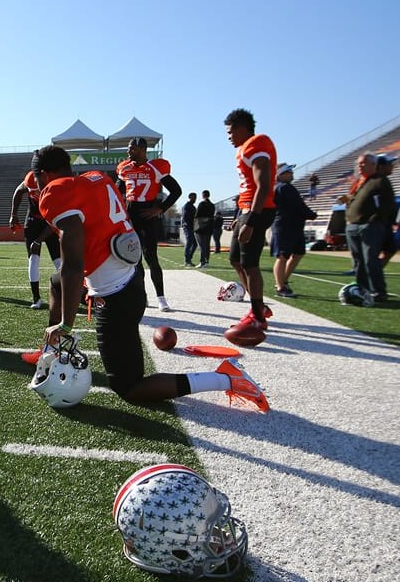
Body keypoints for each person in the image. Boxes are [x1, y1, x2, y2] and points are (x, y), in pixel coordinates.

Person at [31, 144, 268, 411]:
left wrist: (66, 325)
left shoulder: (55, 192)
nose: (38, 187)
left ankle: (225, 378)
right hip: (131, 279)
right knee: (56, 284)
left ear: (45, 174)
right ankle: (49, 350)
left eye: (38, 179)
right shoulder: (98, 179)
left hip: (116, 296)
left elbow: (73, 265)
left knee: (129, 387)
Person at [224, 108, 278, 330]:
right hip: (246, 209)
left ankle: (257, 315)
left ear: (241, 128)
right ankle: (259, 306)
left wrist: (251, 220)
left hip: (259, 209)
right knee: (235, 259)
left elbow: (263, 185)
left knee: (249, 264)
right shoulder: (245, 148)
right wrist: (240, 215)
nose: (228, 137)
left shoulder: (257, 143)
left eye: (230, 132)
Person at [116, 137, 182, 311]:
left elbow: (176, 191)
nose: (128, 152)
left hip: (147, 216)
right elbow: (116, 193)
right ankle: (141, 296)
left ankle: (161, 298)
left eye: (132, 149)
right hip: (130, 217)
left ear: (142, 149)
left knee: (151, 257)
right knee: (134, 260)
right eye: (129, 148)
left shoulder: (155, 167)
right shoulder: (125, 168)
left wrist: (159, 209)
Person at [345, 153, 395, 304]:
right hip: (353, 225)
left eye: (364, 163)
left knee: (370, 260)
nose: (360, 166)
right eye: (359, 164)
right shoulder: (359, 182)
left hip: (368, 226)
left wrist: (375, 219)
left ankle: (378, 291)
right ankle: (363, 288)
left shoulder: (380, 181)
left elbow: (388, 203)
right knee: (358, 261)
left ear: (374, 165)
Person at [10, 168, 63, 309]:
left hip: (49, 221)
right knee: (33, 259)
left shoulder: (55, 185)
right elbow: (18, 192)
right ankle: (36, 298)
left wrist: (39, 240)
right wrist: (13, 215)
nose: (36, 192)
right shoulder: (29, 179)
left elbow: (52, 222)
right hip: (33, 221)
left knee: (59, 261)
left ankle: (69, 296)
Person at [271, 163, 317, 298]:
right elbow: (298, 206)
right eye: (289, 171)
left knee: (297, 253)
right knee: (282, 256)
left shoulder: (282, 188)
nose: (292, 173)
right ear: (281, 174)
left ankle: (283, 280)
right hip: (286, 226)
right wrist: (311, 214)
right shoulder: (285, 188)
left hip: (291, 226)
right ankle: (280, 286)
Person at [375, 156, 399, 267]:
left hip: (385, 222)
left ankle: (375, 270)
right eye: (389, 164)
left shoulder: (384, 180)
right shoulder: (378, 181)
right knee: (373, 252)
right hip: (379, 223)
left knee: (390, 249)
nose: (392, 166)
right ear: (381, 167)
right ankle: (371, 272)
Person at [194, 190, 215, 267]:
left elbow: (196, 215)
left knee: (201, 245)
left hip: (200, 227)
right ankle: (207, 261)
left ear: (203, 195)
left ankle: (202, 261)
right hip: (209, 227)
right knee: (207, 245)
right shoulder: (212, 205)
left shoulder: (202, 204)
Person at [180, 192, 198, 266]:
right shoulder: (186, 206)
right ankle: (187, 260)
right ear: (190, 197)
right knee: (189, 242)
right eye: (194, 197)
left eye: (196, 198)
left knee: (194, 243)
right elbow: (185, 218)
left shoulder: (193, 207)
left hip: (192, 227)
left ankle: (189, 258)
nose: (195, 199)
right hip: (187, 226)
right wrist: (189, 225)